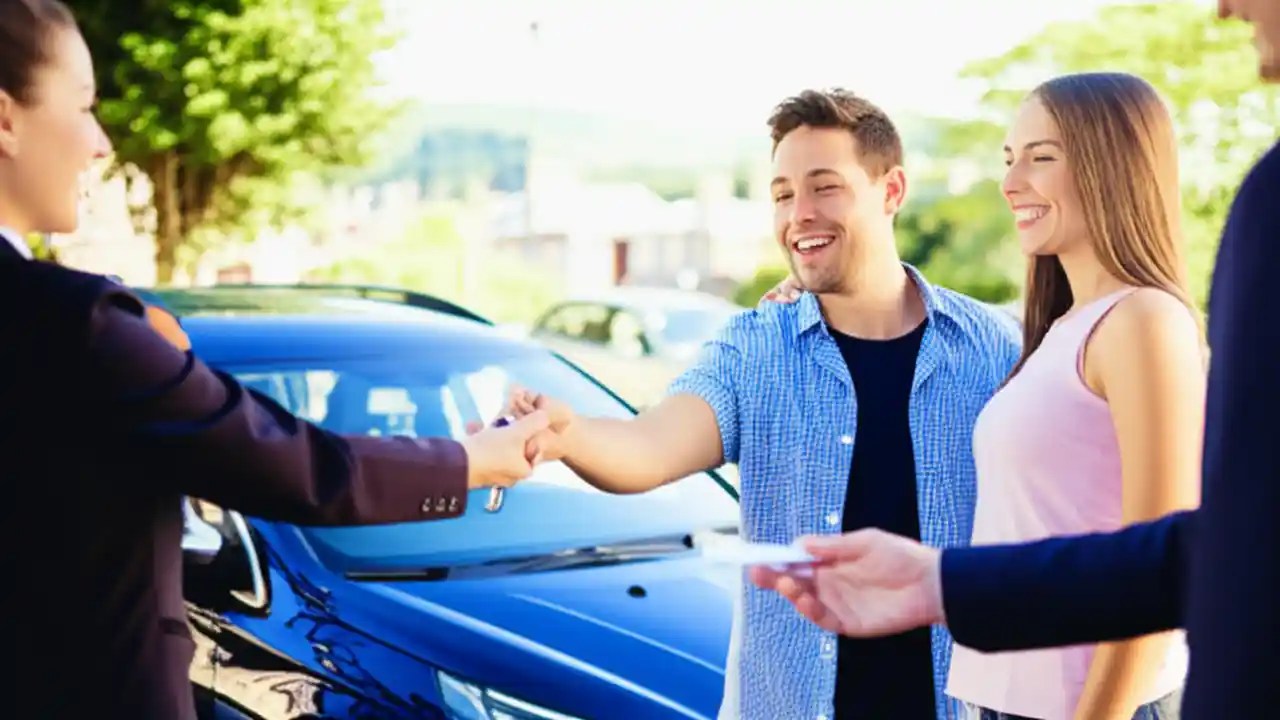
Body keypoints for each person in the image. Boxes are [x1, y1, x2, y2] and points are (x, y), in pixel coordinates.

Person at [0, 2, 551, 718]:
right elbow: (292, 464)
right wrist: (474, 461)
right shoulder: (69, 323)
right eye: (83, 107)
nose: (99, 144)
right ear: (6, 119)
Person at [750, 1, 1280, 717]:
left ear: (1109, 166)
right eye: (1008, 160)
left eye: (1041, 157)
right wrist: (816, 291)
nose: (1011, 184)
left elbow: (1169, 554)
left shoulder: (1145, 321)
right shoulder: (1055, 331)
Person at [507, 88, 1022, 720]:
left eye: (824, 187)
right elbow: (649, 447)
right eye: (782, 195)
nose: (798, 214)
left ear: (891, 192)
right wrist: (569, 434)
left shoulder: (992, 347)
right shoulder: (755, 348)